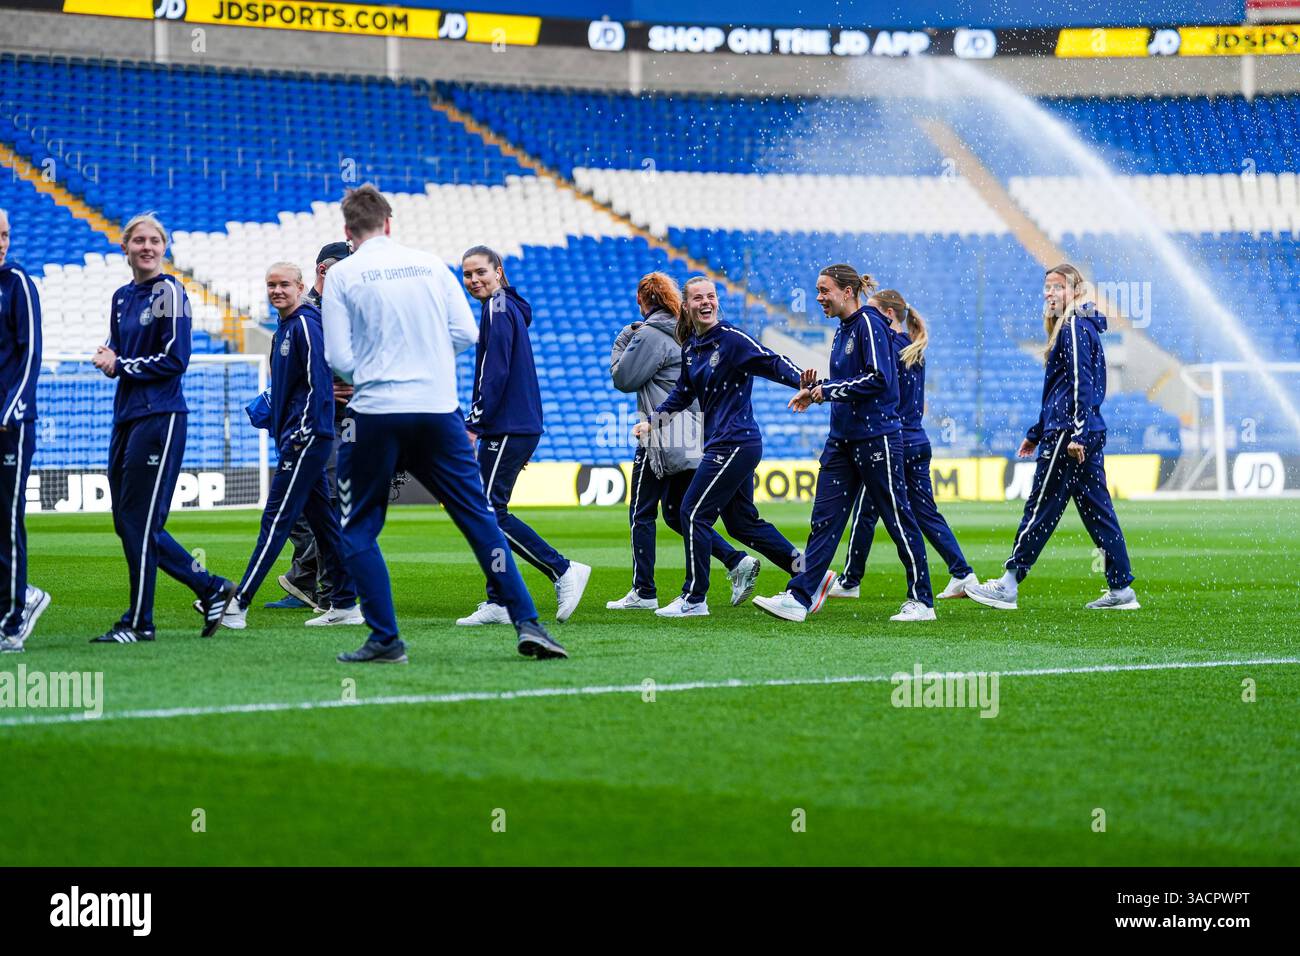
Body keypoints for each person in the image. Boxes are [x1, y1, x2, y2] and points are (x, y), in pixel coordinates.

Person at [321, 184, 565, 662]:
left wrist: (370, 369)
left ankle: (385, 639)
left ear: (349, 231)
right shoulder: (431, 265)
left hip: (375, 413)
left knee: (359, 527)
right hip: (437, 409)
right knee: (478, 518)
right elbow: (463, 333)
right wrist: (426, 360)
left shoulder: (344, 274)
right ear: (389, 222)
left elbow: (339, 358)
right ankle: (527, 622)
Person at [753, 264, 935, 623]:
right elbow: (851, 382)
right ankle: (800, 596)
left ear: (847, 292)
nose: (819, 297)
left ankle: (922, 600)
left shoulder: (868, 323)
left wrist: (827, 391)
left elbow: (879, 379)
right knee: (825, 520)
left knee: (897, 518)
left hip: (876, 438)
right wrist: (815, 389)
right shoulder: (843, 330)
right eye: (818, 291)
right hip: (843, 440)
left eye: (825, 290)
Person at [90, 212, 234, 643]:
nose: (147, 247)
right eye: (139, 240)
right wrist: (110, 354)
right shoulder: (120, 297)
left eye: (155, 240)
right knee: (128, 521)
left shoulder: (169, 290)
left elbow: (176, 359)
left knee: (139, 521)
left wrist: (121, 364)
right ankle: (210, 587)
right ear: (125, 247)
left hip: (161, 415)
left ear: (164, 247)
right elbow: (122, 347)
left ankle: (139, 622)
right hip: (128, 415)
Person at [966, 264, 1139, 611]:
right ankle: (1121, 589)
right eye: (1046, 287)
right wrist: (1036, 432)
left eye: (1057, 287)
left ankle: (1009, 583)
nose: (1049, 293)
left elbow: (1080, 384)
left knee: (1041, 508)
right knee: (1098, 513)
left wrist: (1076, 433)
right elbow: (1060, 391)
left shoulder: (1074, 325)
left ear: (1075, 291)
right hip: (1079, 432)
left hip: (1068, 436)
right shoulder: (1079, 325)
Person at [633, 276, 804, 618]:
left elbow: (770, 362)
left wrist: (805, 383)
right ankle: (807, 570)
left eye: (711, 296)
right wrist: (653, 421)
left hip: (735, 442)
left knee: (691, 513)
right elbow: (682, 393)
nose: (706, 302)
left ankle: (694, 598)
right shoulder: (692, 348)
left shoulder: (731, 339)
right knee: (741, 523)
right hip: (726, 443)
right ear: (687, 306)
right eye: (698, 298)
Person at [217, 262, 362, 630]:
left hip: (306, 438)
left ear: (301, 287)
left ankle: (239, 603)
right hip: (296, 437)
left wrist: (303, 432)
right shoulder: (285, 327)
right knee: (323, 523)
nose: (277, 290)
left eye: (284, 284)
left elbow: (319, 381)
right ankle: (345, 603)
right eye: (271, 285)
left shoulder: (305, 324)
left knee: (276, 519)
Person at [607, 272, 760, 610]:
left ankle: (645, 591)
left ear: (642, 300)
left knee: (640, 512)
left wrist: (622, 341)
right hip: (692, 432)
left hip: (661, 434)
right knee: (679, 514)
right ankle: (735, 560)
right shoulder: (686, 332)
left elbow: (624, 378)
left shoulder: (647, 334)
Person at [454, 245, 590, 626]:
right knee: (487, 510)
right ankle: (498, 598)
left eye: (480, 271)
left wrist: (473, 423)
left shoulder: (498, 307)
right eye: (467, 275)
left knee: (486, 512)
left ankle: (562, 570)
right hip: (515, 424)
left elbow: (493, 372)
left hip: (506, 425)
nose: (474, 280)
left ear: (498, 271)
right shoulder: (504, 306)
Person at [826, 289, 977, 602]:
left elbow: (871, 380)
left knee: (867, 512)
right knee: (924, 512)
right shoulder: (911, 347)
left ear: (888, 316)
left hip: (891, 440)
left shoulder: (885, 345)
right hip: (918, 439)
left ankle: (852, 580)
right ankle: (962, 572)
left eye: (873, 314)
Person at [269, 240, 353, 611]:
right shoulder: (308, 310)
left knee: (327, 503)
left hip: (344, 420)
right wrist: (321, 387)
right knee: (310, 502)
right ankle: (317, 584)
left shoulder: (344, 306)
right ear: (324, 270)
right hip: (316, 419)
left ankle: (321, 587)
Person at [0, 208, 50, 652]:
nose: (1, 241)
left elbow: (31, 353)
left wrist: (9, 411)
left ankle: (16, 612)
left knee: (6, 515)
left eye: (5, 234)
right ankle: (18, 597)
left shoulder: (17, 283)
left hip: (9, 426)